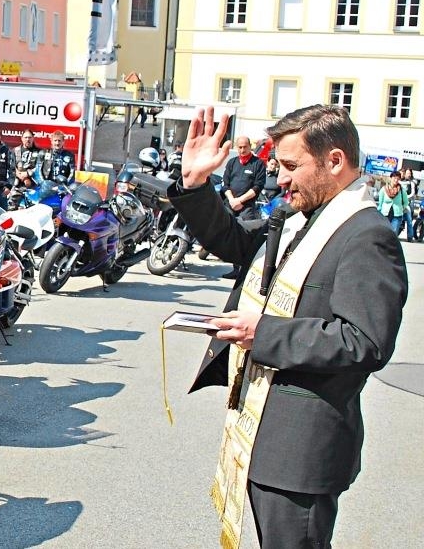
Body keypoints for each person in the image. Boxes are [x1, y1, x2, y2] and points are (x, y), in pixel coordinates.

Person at [169, 104, 407, 549]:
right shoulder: (302, 217)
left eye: (292, 166)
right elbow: (237, 243)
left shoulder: (366, 235)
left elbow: (364, 342)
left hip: (301, 451)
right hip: (264, 434)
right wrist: (196, 185)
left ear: (334, 161)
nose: (280, 178)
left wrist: (263, 333)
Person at [219, 135, 267, 279]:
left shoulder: (257, 164)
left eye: (245, 147)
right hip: (230, 203)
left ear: (250, 147)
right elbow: (225, 183)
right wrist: (232, 199)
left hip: (247, 206)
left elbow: (258, 186)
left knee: (246, 236)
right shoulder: (232, 162)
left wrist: (240, 200)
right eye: (239, 147)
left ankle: (244, 269)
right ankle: (235, 268)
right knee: (228, 234)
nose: (242, 150)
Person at [8, 128, 43, 210]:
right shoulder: (15, 151)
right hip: (17, 186)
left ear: (33, 138)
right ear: (22, 138)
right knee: (11, 209)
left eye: (30, 137)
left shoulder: (39, 152)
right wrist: (22, 177)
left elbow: (40, 168)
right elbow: (11, 167)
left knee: (33, 211)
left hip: (33, 187)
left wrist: (27, 174)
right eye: (26, 137)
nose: (28, 139)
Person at [378, 172, 412, 241]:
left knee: (393, 235)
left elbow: (406, 202)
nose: (396, 180)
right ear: (390, 178)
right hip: (384, 215)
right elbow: (380, 204)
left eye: (398, 179)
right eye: (394, 178)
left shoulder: (402, 190)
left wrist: (401, 209)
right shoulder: (384, 189)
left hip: (397, 216)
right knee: (383, 233)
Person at [398, 168, 418, 240]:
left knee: (409, 220)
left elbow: (413, 193)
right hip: (401, 202)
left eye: (409, 173)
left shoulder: (412, 182)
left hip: (409, 202)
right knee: (399, 219)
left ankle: (410, 237)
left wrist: (406, 198)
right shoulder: (401, 181)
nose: (408, 174)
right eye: (407, 173)